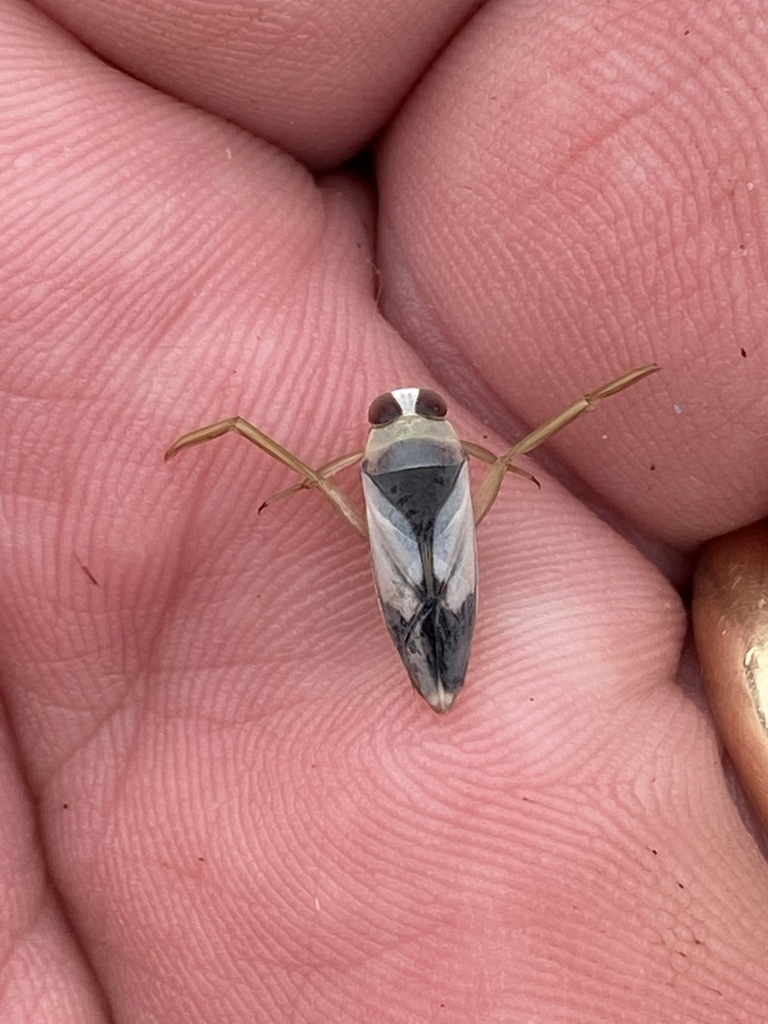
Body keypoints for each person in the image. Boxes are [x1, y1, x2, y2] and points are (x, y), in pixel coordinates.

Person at [2, 0, 766, 1019]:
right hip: (447, 529)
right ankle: (440, 673)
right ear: (438, 431)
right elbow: (507, 464)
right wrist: (535, 442)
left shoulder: (364, 465)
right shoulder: (459, 459)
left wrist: (266, 453)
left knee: (398, 541)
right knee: (466, 523)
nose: (408, 404)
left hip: (409, 540)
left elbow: (323, 460)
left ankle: (434, 674)